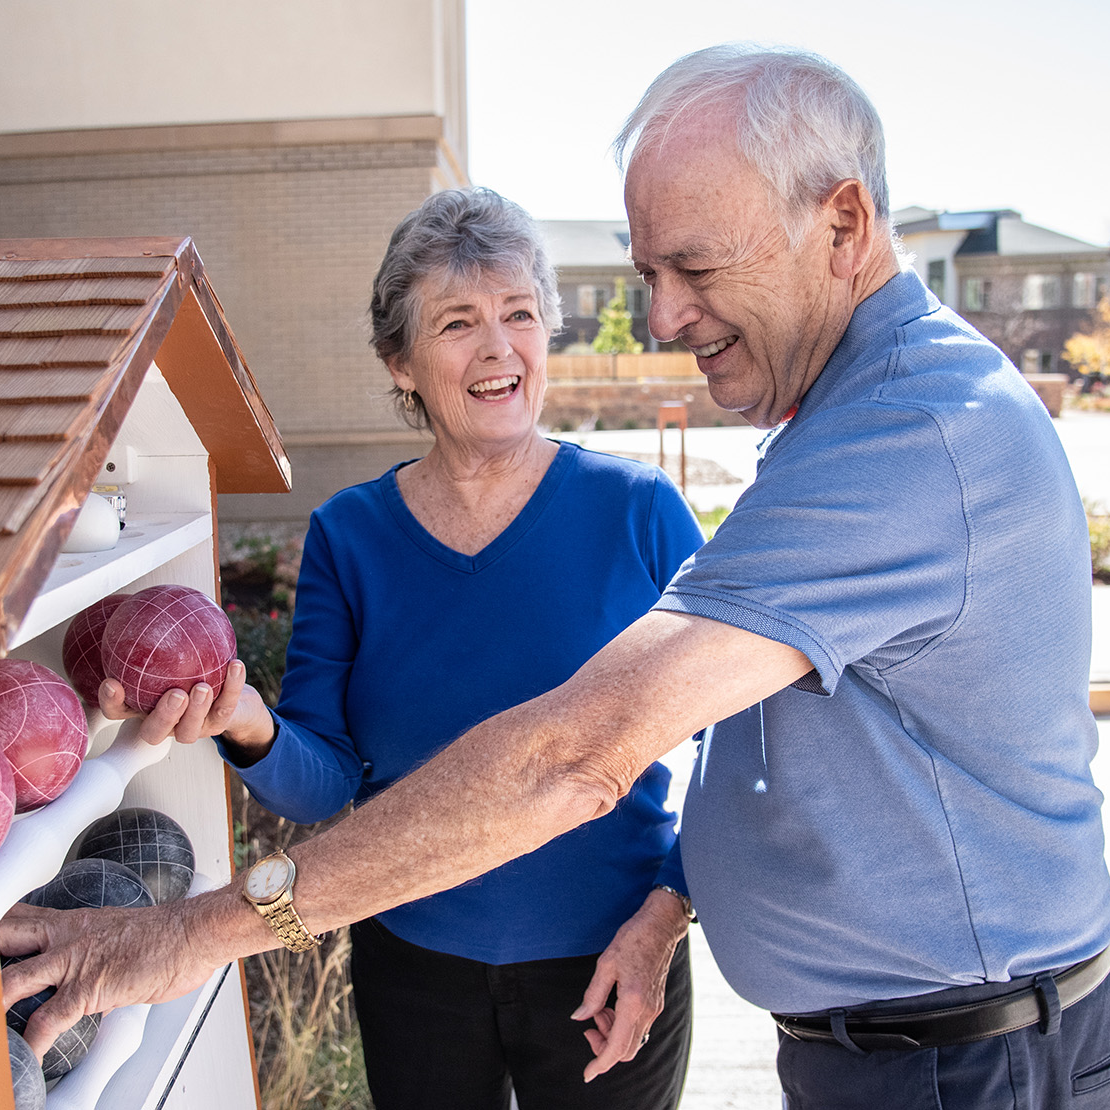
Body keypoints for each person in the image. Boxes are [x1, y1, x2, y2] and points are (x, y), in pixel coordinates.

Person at [4, 44, 1110, 1109]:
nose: (662, 317)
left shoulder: (903, 438)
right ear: (403, 362)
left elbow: (578, 756)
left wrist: (192, 935)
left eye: (695, 266)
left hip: (959, 1057)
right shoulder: (849, 419)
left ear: (842, 222)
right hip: (899, 1045)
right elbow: (740, 744)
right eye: (649, 273)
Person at [88, 186, 702, 1108]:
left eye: (519, 314)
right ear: (400, 362)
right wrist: (249, 725)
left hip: (612, 959)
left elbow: (745, 745)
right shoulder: (351, 535)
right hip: (414, 967)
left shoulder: (639, 513)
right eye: (457, 323)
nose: (498, 348)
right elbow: (323, 782)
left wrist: (666, 915)